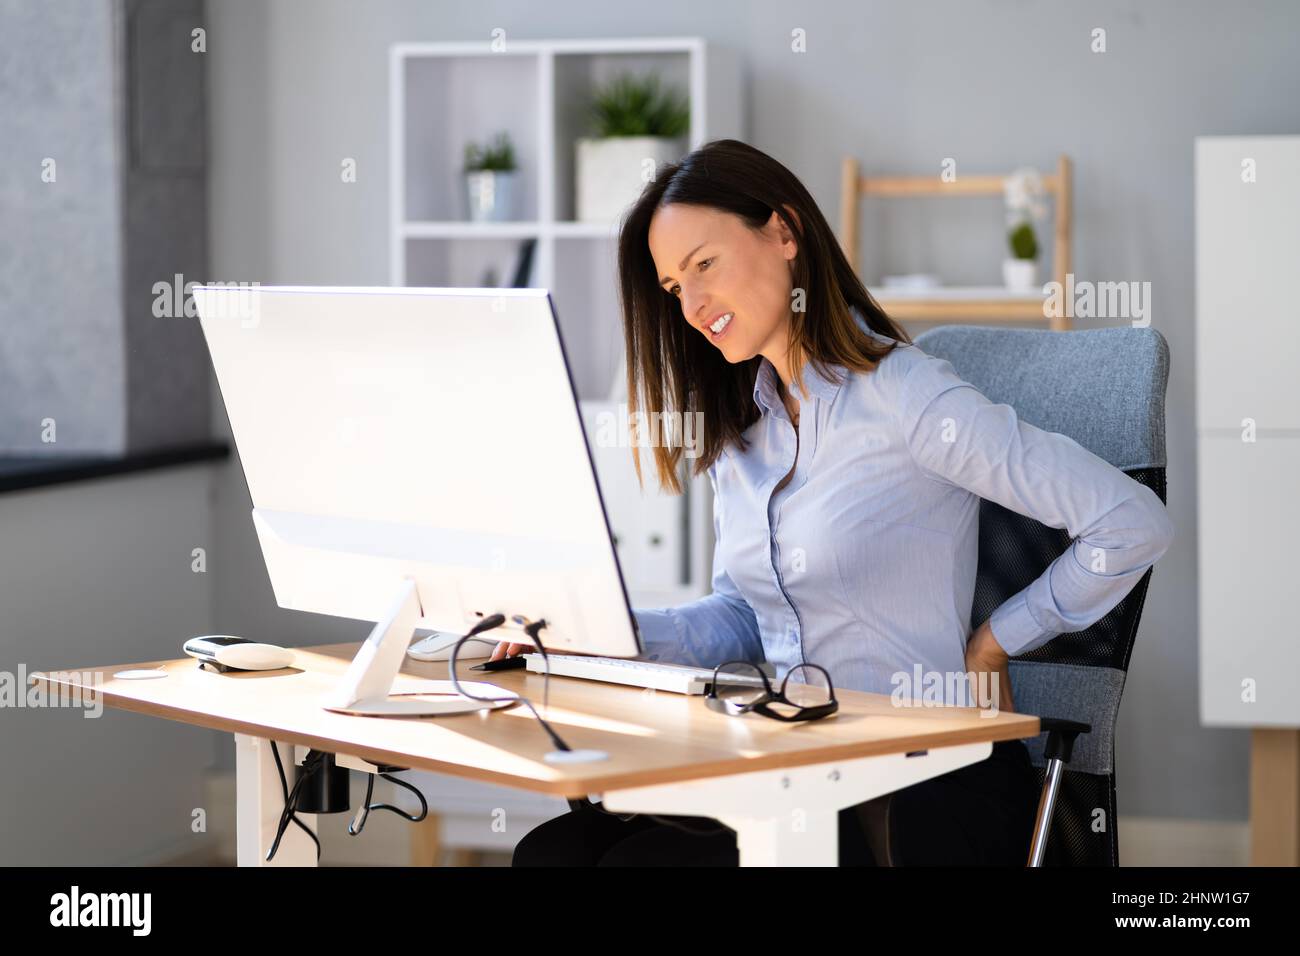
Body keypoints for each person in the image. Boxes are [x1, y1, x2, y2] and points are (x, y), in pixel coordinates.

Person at [496, 139, 1174, 866]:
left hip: (918, 783)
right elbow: (744, 619)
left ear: (784, 233)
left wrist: (994, 639)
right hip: (791, 765)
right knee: (556, 851)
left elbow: (1129, 521)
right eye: (672, 287)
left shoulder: (907, 396)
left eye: (703, 265)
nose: (690, 306)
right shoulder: (743, 434)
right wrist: (598, 632)